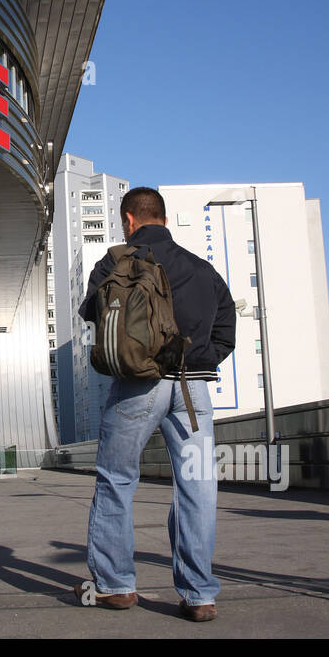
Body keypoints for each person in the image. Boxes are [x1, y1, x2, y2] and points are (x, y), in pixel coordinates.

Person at [73, 187, 235, 620]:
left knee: (116, 479)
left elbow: (91, 310)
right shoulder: (203, 270)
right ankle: (199, 593)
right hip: (193, 390)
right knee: (197, 488)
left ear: (129, 220)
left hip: (137, 386)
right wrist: (199, 359)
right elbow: (226, 328)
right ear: (162, 217)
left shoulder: (116, 261)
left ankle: (115, 585)